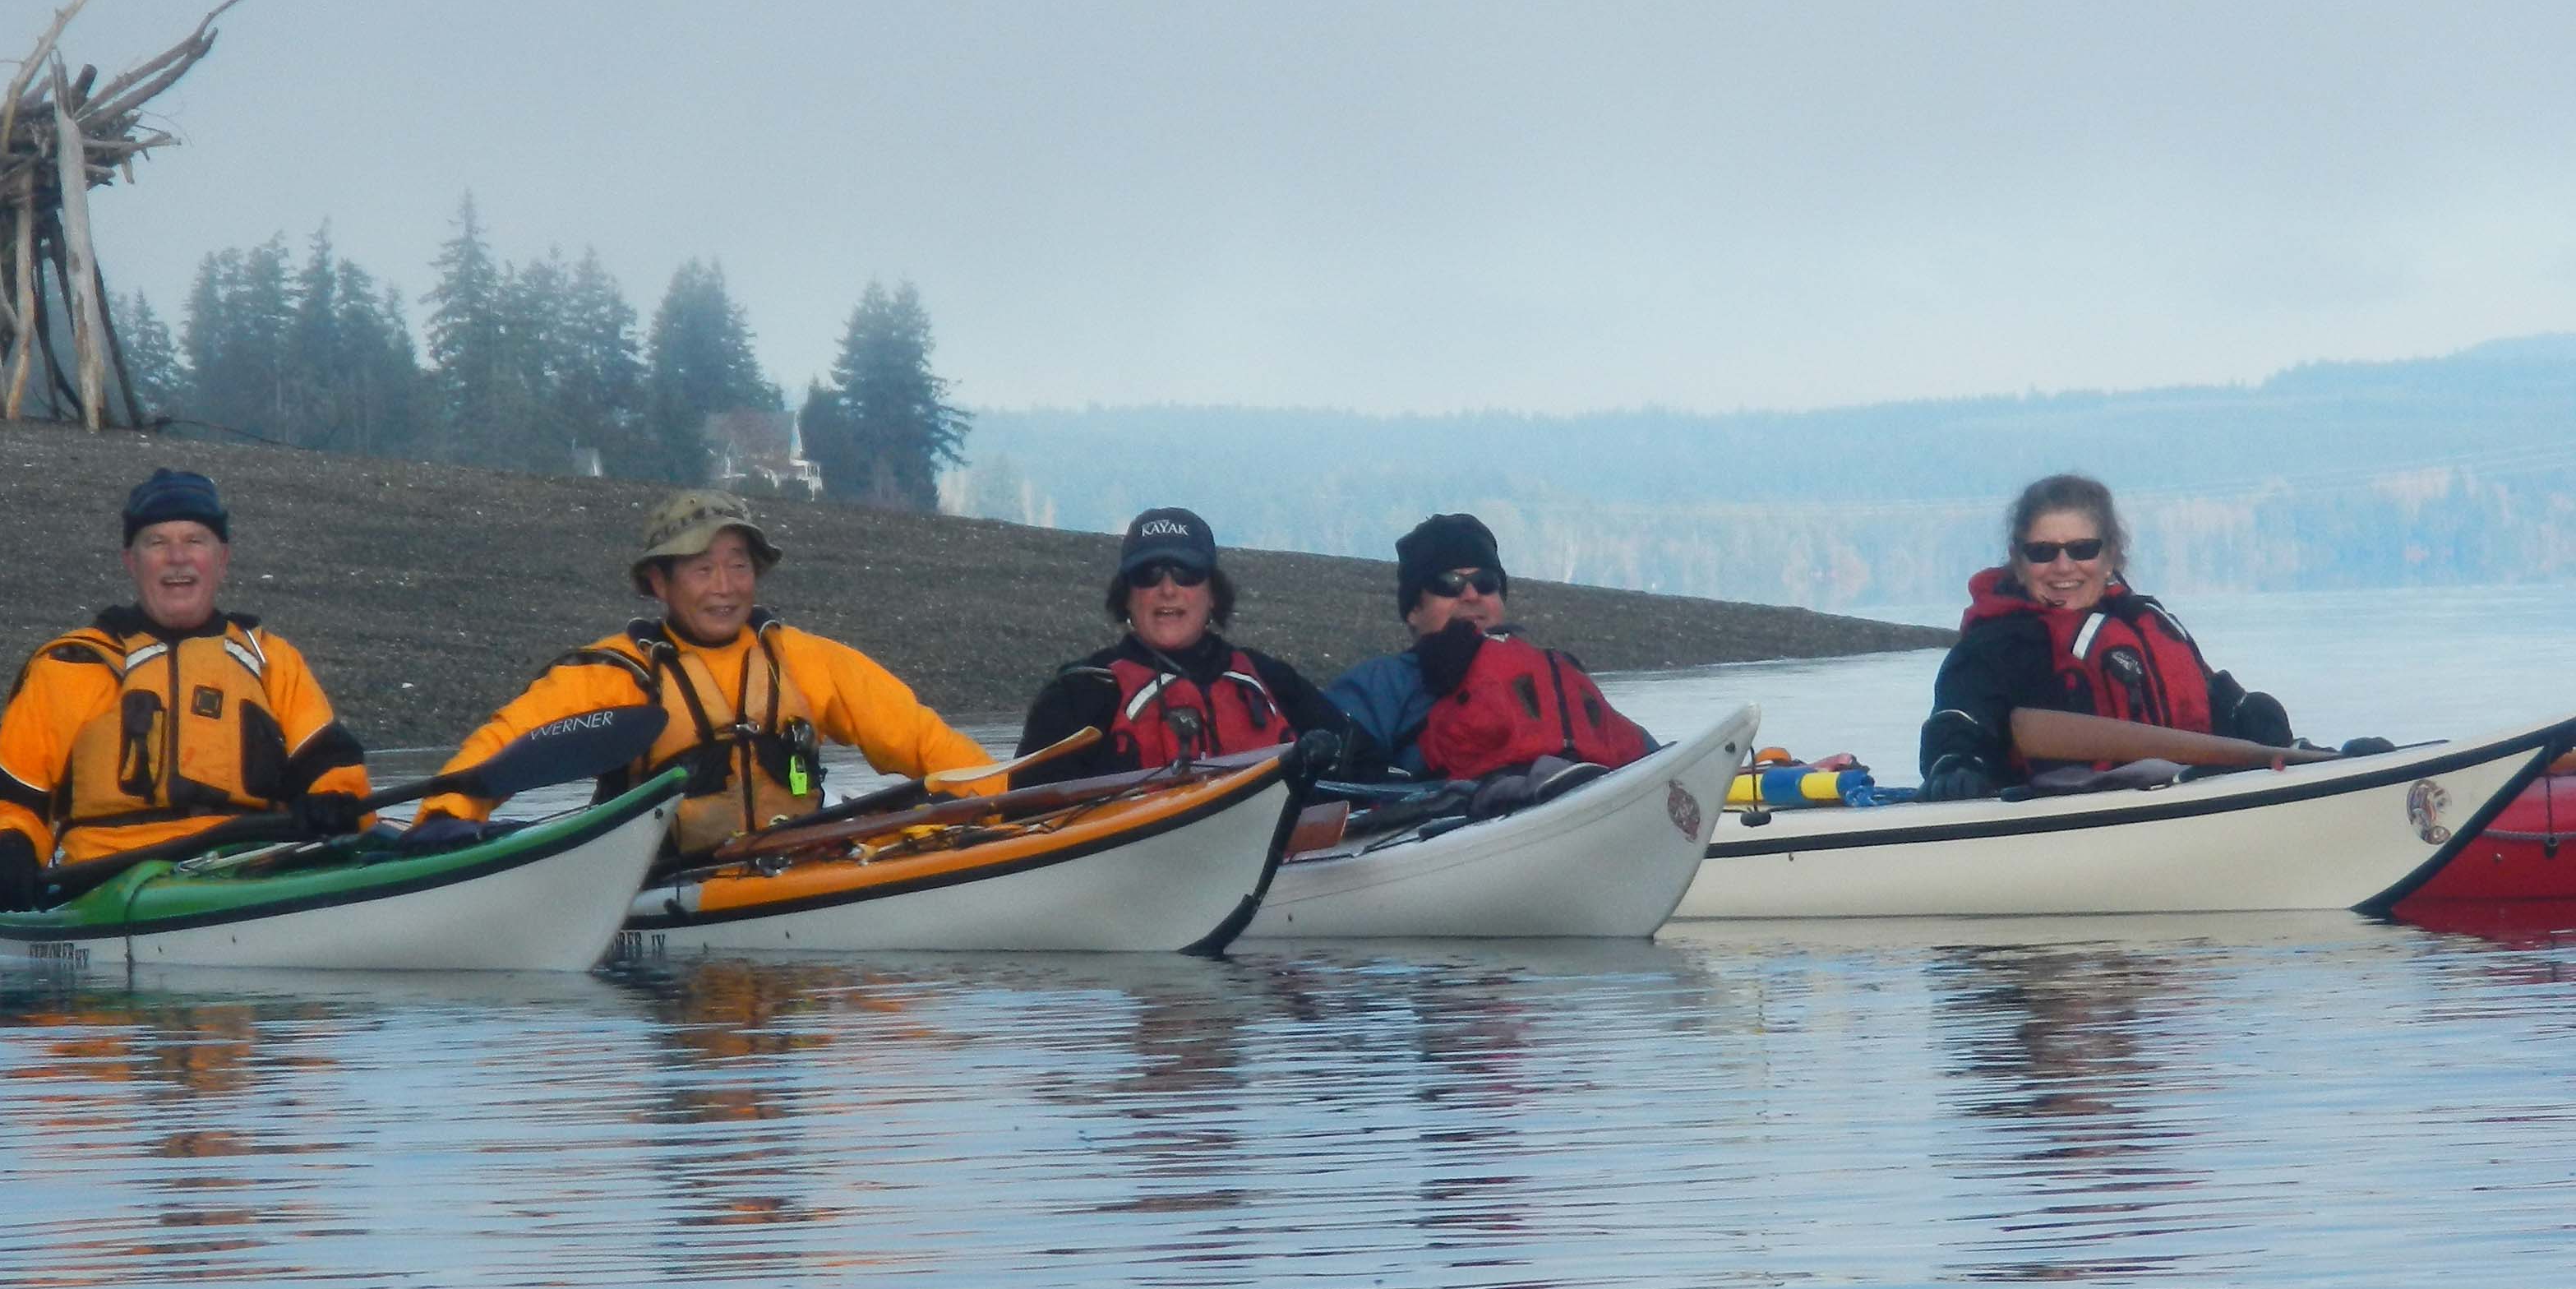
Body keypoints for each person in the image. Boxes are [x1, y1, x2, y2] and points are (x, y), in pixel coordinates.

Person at [416, 489, 987, 858]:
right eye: (703, 569)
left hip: (803, 861)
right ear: (659, 584)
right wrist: (446, 816)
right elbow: (505, 743)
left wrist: (1008, 797)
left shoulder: (803, 661)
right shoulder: (617, 673)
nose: (726, 586)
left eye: (739, 566)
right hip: (664, 885)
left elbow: (923, 738)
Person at [0, 468, 372, 907]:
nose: (178, 558)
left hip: (252, 865)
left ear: (222, 559)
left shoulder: (272, 662)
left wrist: (336, 800)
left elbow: (330, 765)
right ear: (131, 561)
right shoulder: (72, 665)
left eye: (194, 541)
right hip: (105, 879)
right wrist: (11, 846)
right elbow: (11, 798)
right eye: (157, 542)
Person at [1915, 475, 2297, 798]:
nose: (2063, 567)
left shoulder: (2148, 621)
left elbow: (2216, 701)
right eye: (2043, 552)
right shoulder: (1995, 645)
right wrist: (1955, 763)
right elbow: (1957, 722)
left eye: (2083, 549)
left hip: (2180, 790)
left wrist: (2259, 723)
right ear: (2019, 559)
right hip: (2062, 810)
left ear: (2110, 555)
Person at [1012, 506, 1367, 784]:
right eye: (1149, 575)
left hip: (1276, 862)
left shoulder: (1272, 680)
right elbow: (1028, 812)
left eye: (1186, 572)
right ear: (1127, 596)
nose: (1168, 589)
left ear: (1213, 593)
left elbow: (1366, 765)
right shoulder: (1077, 693)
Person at [1324, 511, 1653, 781]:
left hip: (1568, 800)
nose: (1471, 595)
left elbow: (1647, 757)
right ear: (1414, 610)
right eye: (1448, 584)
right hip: (1440, 829)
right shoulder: (1381, 683)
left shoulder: (1554, 671)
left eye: (1485, 583)